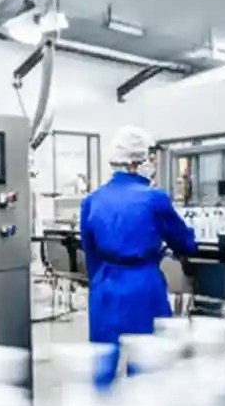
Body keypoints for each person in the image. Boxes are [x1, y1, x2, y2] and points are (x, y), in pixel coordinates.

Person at [79, 125, 197, 388]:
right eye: (149, 158)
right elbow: (184, 242)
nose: (152, 164)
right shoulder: (155, 199)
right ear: (135, 163)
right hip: (143, 287)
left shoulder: (92, 200)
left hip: (104, 287)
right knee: (147, 367)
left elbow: (90, 252)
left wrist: (102, 279)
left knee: (102, 366)